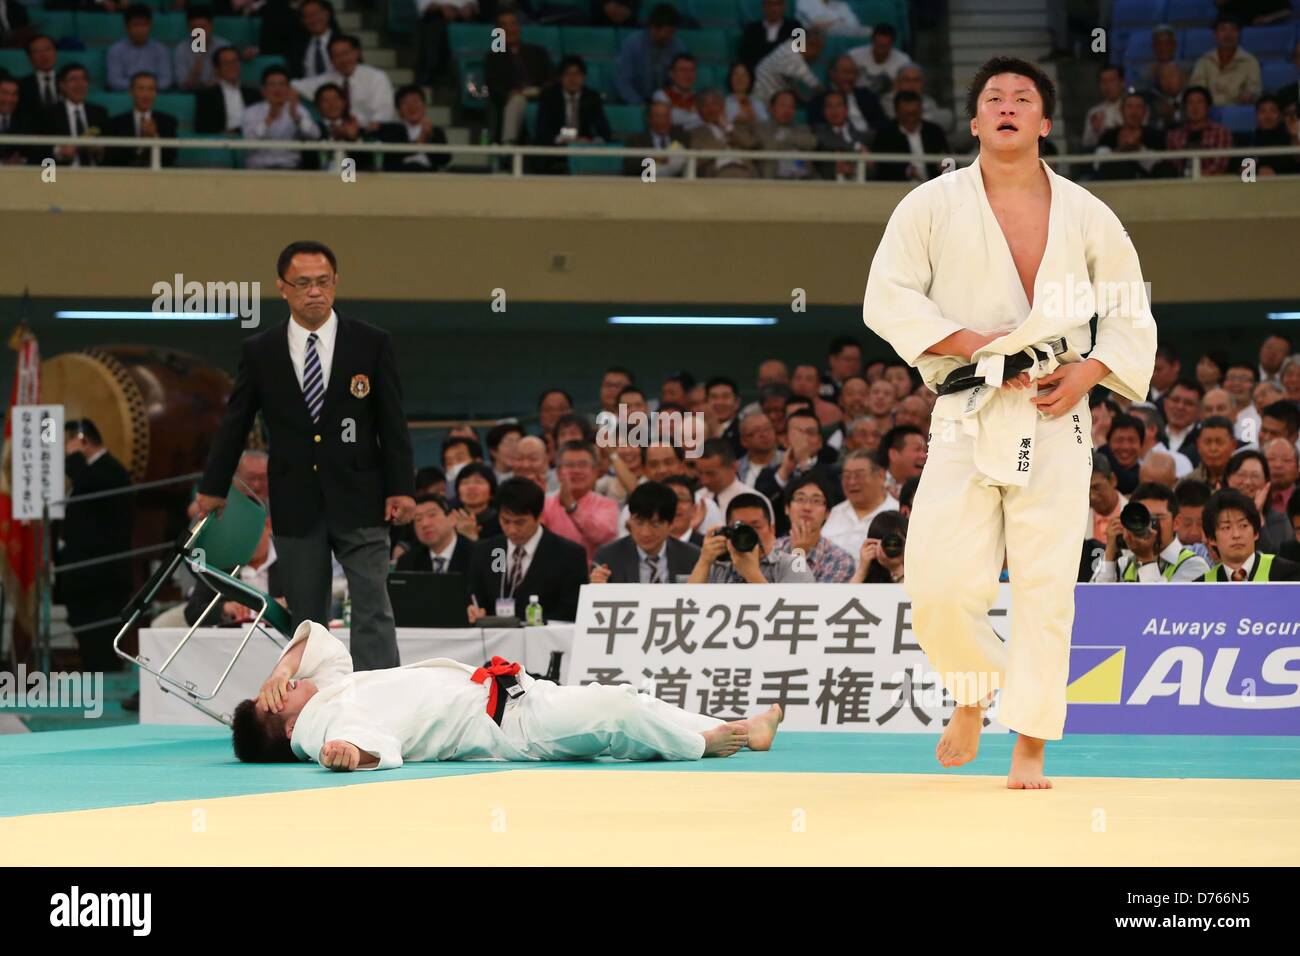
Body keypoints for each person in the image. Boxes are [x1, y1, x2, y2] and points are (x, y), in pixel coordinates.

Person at [862, 56, 1157, 789]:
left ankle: (1031, 742)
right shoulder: (930, 205)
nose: (1007, 106)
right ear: (973, 122)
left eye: (1023, 99)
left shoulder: (1089, 214)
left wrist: (1089, 371)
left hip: (1056, 413)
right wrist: (975, 344)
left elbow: (1126, 312)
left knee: (1046, 586)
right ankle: (973, 687)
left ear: (1045, 122)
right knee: (933, 581)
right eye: (993, 98)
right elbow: (887, 299)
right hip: (967, 408)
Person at [196, 241, 416, 672]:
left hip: (362, 495)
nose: (314, 292)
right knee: (308, 617)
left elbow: (392, 422)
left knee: (372, 604)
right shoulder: (261, 351)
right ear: (282, 288)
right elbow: (235, 423)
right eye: (303, 283)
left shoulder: (371, 343)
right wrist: (213, 487)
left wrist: (401, 489)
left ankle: (382, 701)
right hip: (296, 497)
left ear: (335, 283)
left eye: (323, 282)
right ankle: (316, 707)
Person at [232, 620, 784, 766]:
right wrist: (348, 755)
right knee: (616, 708)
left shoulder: (330, 691)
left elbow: (319, 643)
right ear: (285, 725)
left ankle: (737, 726)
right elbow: (373, 745)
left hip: (511, 693)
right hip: (510, 728)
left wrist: (278, 669)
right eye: (277, 696)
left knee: (631, 710)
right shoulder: (329, 725)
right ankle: (700, 745)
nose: (286, 685)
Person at [59, 419, 134, 672]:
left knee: (100, 634)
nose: (65, 450)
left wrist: (75, 457)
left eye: (68, 441)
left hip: (101, 574)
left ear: (81, 440)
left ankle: (105, 676)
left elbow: (88, 484)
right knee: (85, 630)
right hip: (81, 572)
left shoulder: (110, 471)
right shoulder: (91, 471)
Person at [466, 477, 588, 623]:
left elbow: (571, 611)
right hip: (495, 638)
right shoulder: (488, 551)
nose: (511, 530)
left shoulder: (569, 555)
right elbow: (477, 597)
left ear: (539, 517)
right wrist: (474, 610)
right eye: (505, 521)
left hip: (544, 639)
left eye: (520, 522)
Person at [1090, 482, 1209, 582]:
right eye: (1143, 518)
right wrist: (1110, 553)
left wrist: (1146, 559)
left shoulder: (1195, 566)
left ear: (1176, 522)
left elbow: (1158, 607)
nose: (1149, 526)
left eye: (1158, 517)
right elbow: (1095, 601)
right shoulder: (1124, 564)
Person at [688, 493, 814, 584]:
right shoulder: (719, 566)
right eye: (741, 528)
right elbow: (687, 607)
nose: (749, 533)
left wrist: (751, 573)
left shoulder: (794, 565)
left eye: (756, 526)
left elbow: (792, 614)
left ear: (772, 530)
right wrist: (704, 561)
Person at [590, 481, 700, 584]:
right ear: (629, 521)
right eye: (639, 523)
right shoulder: (608, 557)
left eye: (655, 525)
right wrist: (595, 588)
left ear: (671, 525)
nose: (645, 533)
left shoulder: (691, 557)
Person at [770, 473, 856, 583]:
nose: (807, 507)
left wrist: (798, 553)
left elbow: (809, 599)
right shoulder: (772, 550)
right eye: (800, 499)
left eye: (816, 501)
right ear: (787, 508)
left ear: (827, 513)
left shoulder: (841, 561)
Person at [1200, 488, 1300, 581]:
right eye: (1226, 528)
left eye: (1243, 525)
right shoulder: (1201, 587)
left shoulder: (1288, 575)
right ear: (1211, 539)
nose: (1236, 535)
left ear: (1256, 532)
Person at [394, 493, 474, 575]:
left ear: (452, 518)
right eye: (418, 519)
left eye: (432, 515)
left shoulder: (482, 555)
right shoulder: (407, 562)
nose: (425, 524)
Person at [849, 510, 906, 583]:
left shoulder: (920, 573)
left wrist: (897, 569)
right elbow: (850, 594)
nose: (892, 547)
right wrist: (862, 571)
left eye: (897, 543)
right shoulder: (869, 576)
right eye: (888, 543)